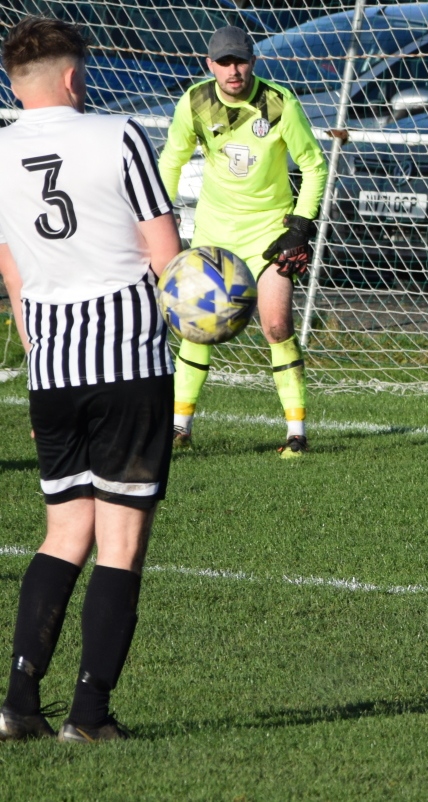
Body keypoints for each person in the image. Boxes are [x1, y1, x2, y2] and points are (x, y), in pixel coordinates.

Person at [0, 15, 181, 742]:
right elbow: (166, 256)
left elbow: (10, 268)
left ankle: (16, 705)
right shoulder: (120, 135)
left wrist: (37, 341)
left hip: (51, 364)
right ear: (75, 78)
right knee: (121, 540)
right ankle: (90, 713)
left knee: (62, 531)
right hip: (128, 360)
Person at [158, 25, 328, 457]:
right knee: (195, 329)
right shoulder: (194, 101)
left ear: (253, 61)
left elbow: (314, 165)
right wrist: (160, 217)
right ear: (209, 64)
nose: (233, 70)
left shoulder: (279, 102)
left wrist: (300, 226)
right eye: (224, 62)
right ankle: (179, 428)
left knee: (276, 326)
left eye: (240, 60)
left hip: (269, 235)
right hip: (214, 236)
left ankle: (296, 433)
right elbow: (172, 161)